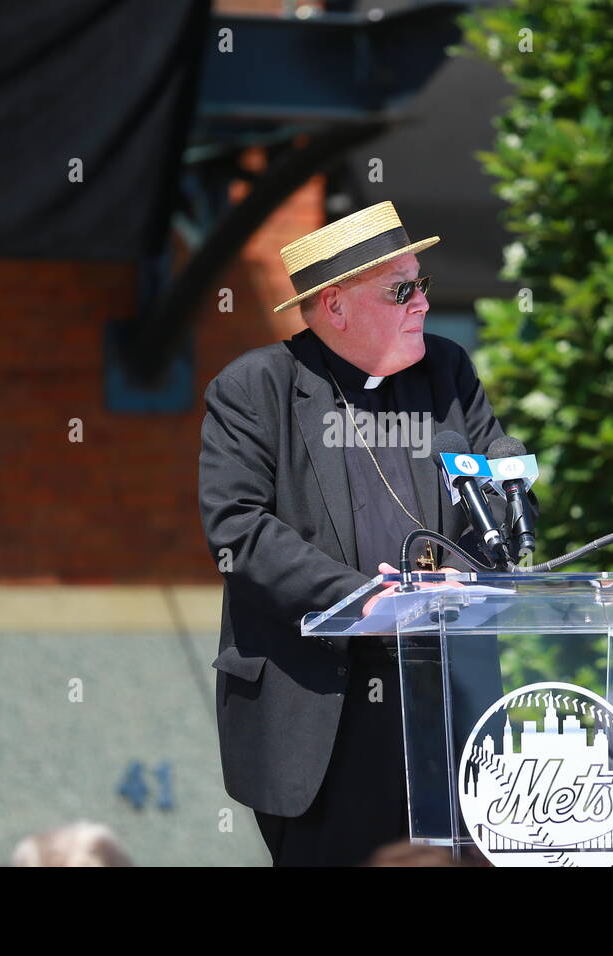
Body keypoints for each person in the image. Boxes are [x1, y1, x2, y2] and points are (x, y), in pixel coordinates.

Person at [199, 201, 518, 866]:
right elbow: (237, 528)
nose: (422, 304)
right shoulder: (258, 388)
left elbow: (502, 480)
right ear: (336, 306)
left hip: (448, 700)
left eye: (422, 284)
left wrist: (485, 555)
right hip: (323, 710)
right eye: (402, 289)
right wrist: (356, 598)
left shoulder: (447, 373)